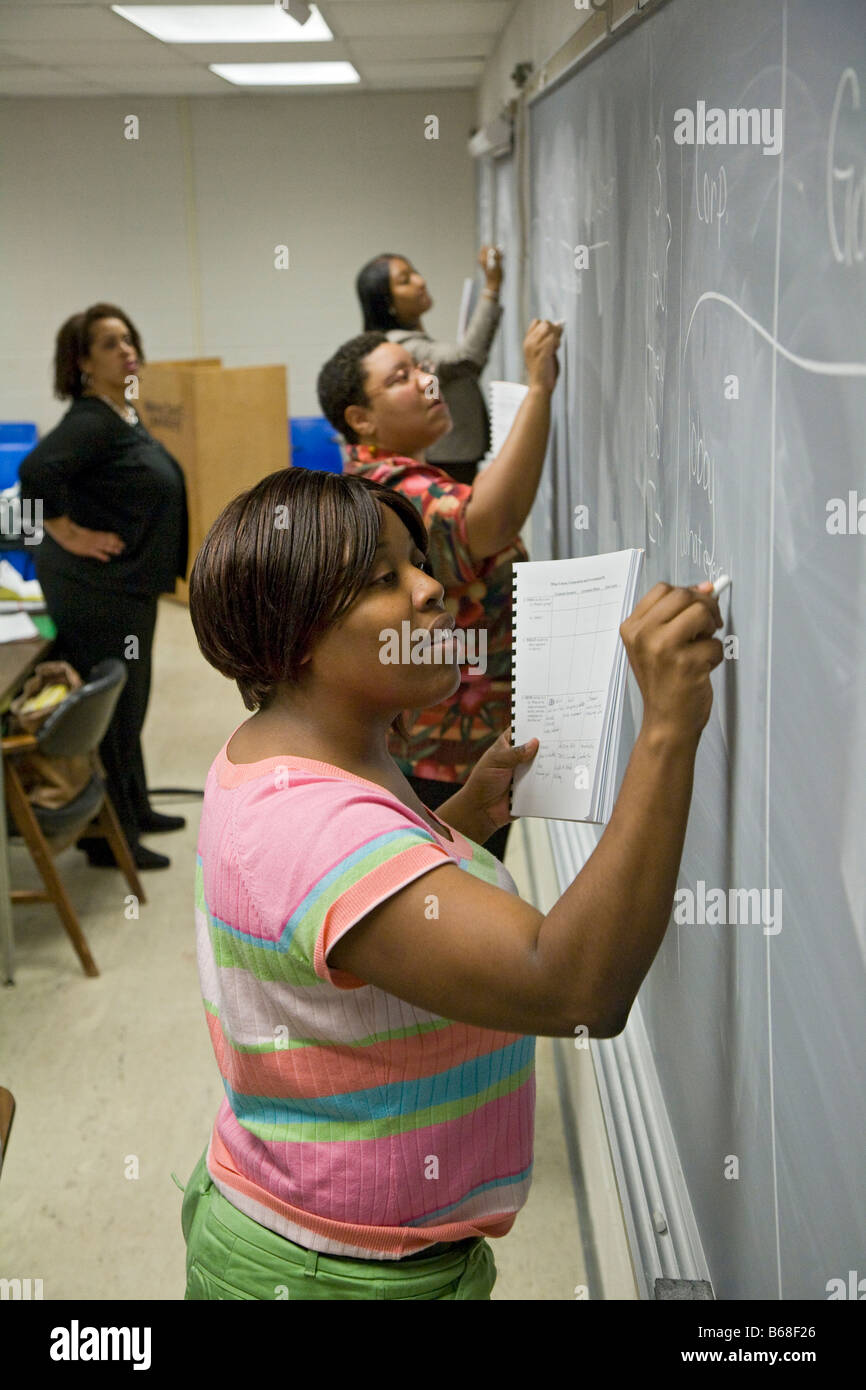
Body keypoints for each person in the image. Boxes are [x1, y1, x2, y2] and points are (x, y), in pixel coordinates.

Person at [183, 465, 724, 1301]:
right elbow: (573, 988)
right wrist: (667, 732)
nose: (433, 590)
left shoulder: (294, 752)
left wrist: (456, 820)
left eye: (416, 563)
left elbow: (345, 919)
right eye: (381, 580)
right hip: (334, 1274)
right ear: (295, 635)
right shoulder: (314, 828)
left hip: (315, 1231)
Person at [317, 319, 561, 862]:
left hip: (447, 741)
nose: (428, 381)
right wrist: (540, 389)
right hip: (448, 752)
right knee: (462, 890)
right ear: (361, 419)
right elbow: (487, 523)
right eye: (400, 378)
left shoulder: (387, 478)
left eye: (421, 368)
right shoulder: (396, 492)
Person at [18, 304, 189, 870]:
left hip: (127, 584)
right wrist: (67, 531)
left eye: (130, 339)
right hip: (94, 586)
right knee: (115, 706)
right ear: (83, 361)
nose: (128, 350)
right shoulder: (91, 418)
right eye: (112, 344)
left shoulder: (122, 413)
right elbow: (36, 471)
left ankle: (134, 807)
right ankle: (107, 836)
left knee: (132, 699)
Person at [356, 248, 504, 485]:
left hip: (453, 454)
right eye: (405, 280)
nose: (420, 281)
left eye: (415, 272)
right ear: (387, 303)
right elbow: (467, 358)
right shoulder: (402, 347)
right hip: (448, 459)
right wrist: (492, 288)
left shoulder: (405, 340)